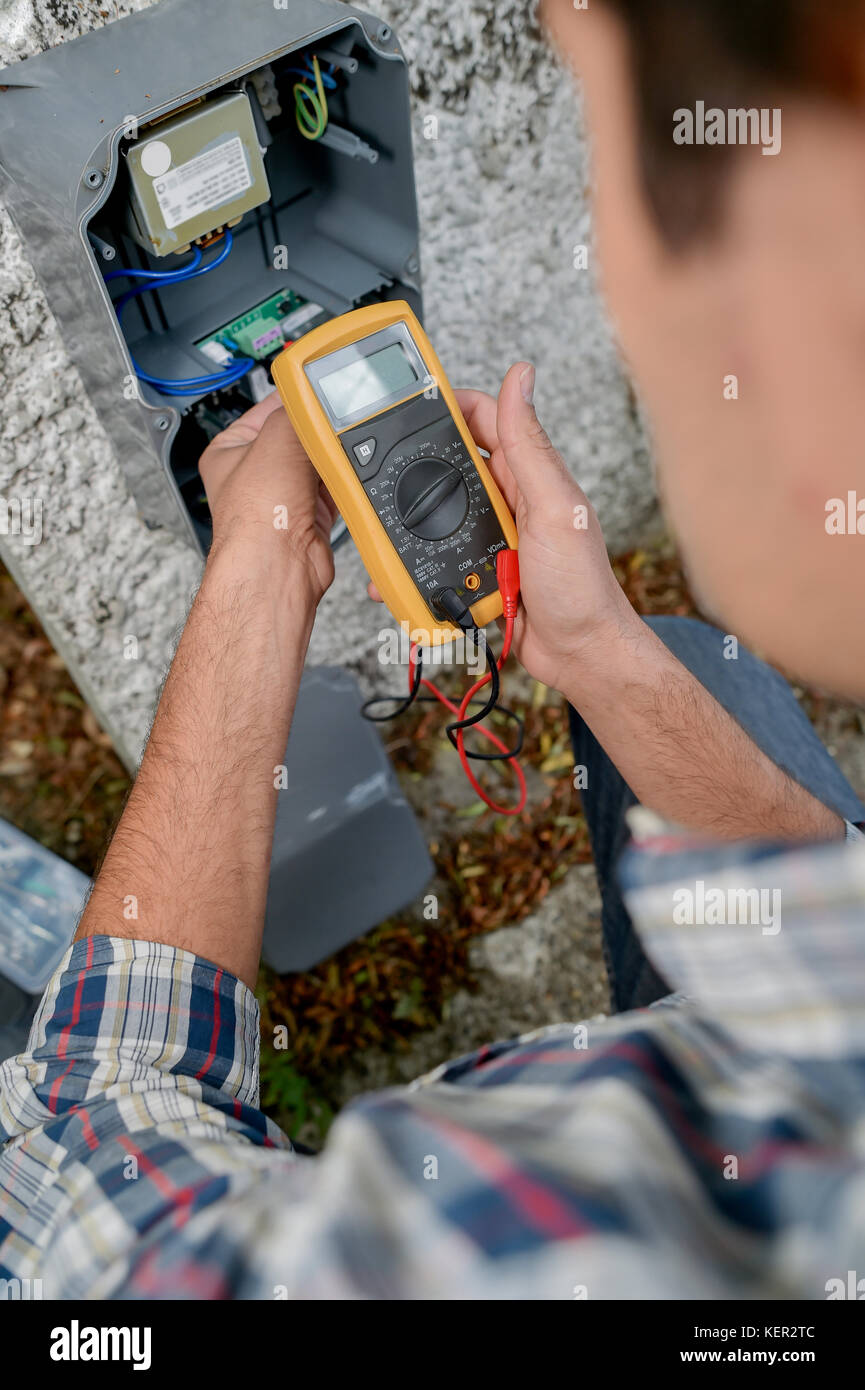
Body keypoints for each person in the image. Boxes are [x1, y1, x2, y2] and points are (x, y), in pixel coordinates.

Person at [2, 0, 865, 1299]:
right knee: (691, 660)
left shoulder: (462, 1254)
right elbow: (839, 962)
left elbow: (87, 1133)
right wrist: (596, 651)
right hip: (758, 1026)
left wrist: (259, 562)